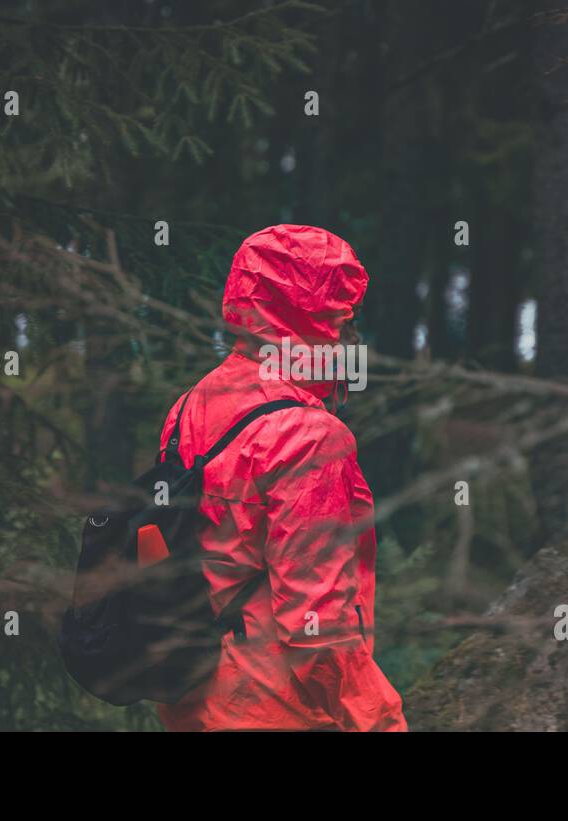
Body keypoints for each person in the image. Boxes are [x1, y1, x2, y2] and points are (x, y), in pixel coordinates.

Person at [156, 224, 408, 732]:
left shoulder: (189, 406)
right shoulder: (309, 435)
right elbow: (317, 631)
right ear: (315, 320)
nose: (353, 333)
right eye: (344, 313)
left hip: (191, 699)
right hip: (278, 710)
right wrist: (383, 722)